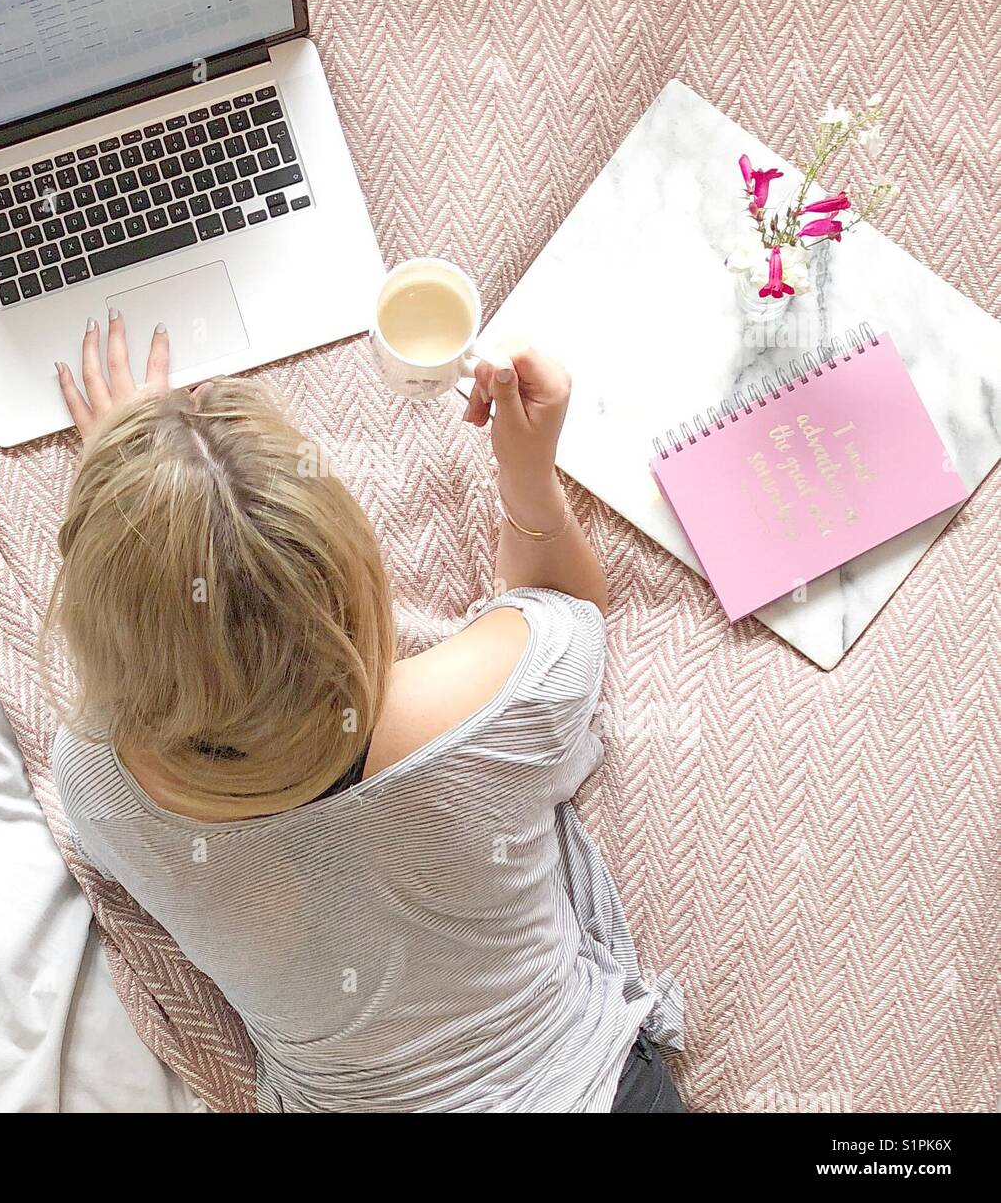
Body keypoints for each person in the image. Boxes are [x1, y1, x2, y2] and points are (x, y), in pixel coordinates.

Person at [47, 311, 684, 1111]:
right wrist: (527, 468)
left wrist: (141, 504)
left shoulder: (100, 785)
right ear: (353, 582)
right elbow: (564, 604)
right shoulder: (496, 700)